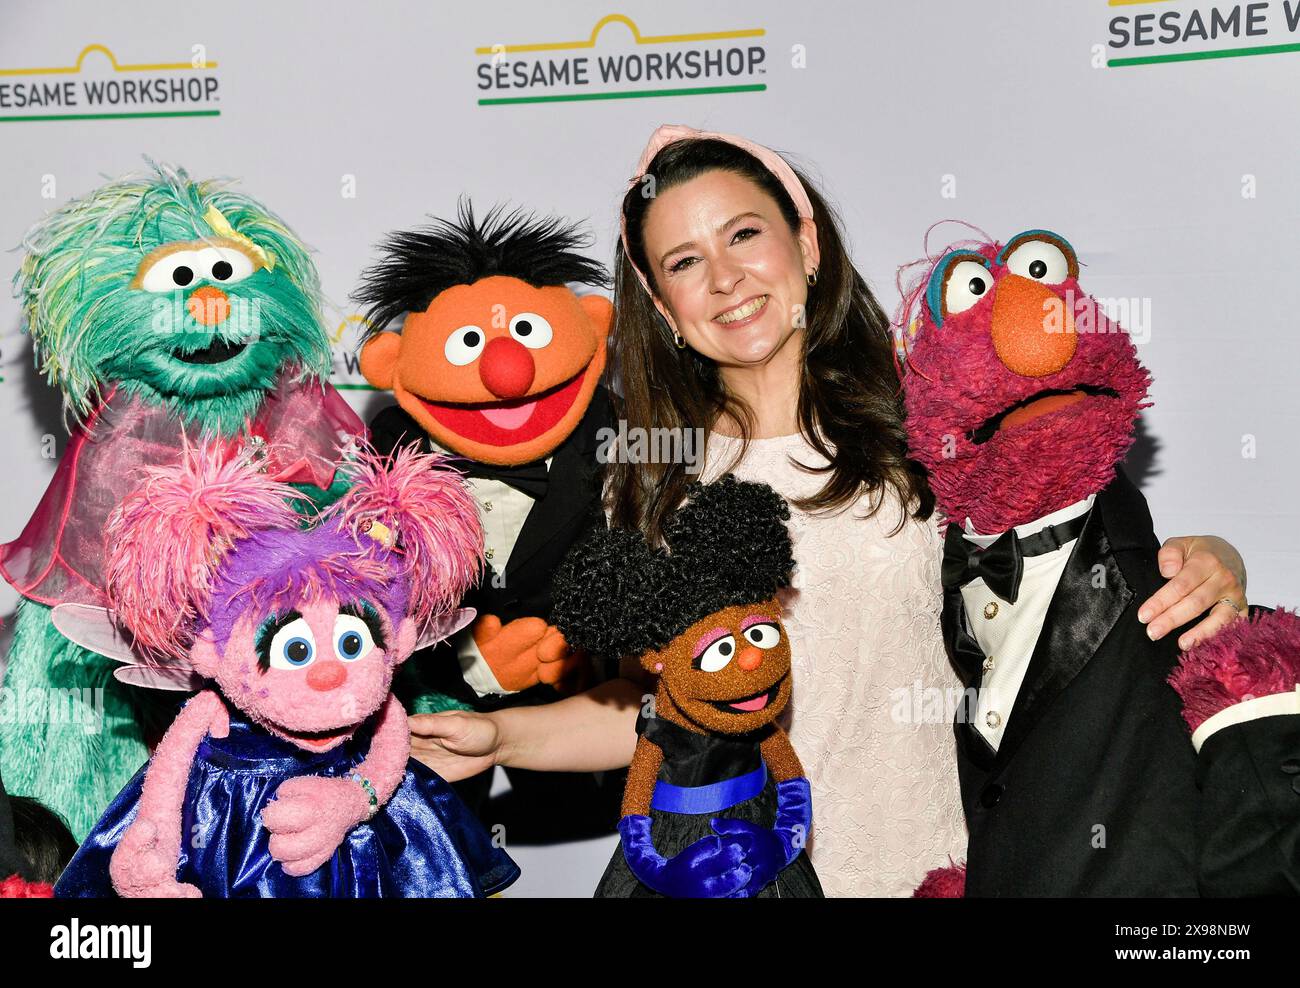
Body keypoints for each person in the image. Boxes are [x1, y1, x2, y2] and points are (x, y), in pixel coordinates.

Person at [406, 125, 1248, 896]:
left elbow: (1055, 582)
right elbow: (662, 714)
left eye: (743, 235)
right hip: (749, 875)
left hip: (953, 867)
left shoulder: (931, 427)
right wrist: (503, 738)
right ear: (661, 306)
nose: (726, 278)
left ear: (806, 244)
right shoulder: (648, 478)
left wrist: (1208, 559)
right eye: (684, 262)